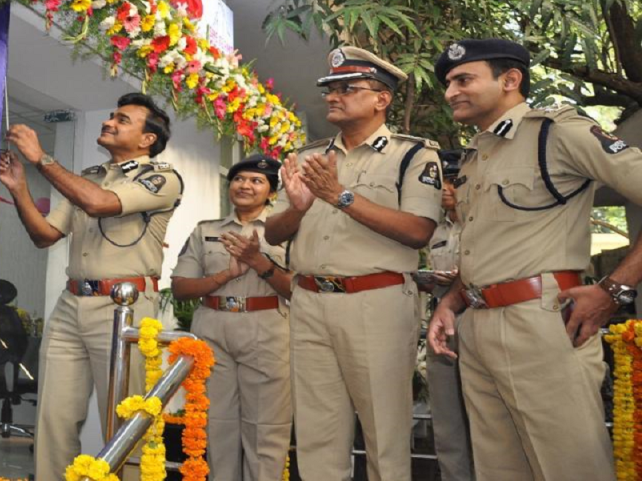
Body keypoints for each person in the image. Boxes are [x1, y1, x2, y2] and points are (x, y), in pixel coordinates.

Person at [427, 38, 642, 481]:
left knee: (570, 468)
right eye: (448, 83)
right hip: (478, 325)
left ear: (510, 79)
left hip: (541, 321)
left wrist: (615, 288)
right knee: (500, 470)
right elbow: (488, 244)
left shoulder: (557, 132)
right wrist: (452, 299)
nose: (450, 93)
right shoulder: (475, 154)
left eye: (463, 80)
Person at [266, 46, 443, 481]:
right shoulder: (308, 158)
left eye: (347, 88)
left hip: (376, 302)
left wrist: (340, 196)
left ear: (382, 99)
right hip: (309, 300)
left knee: (385, 429)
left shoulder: (412, 155)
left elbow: (419, 231)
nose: (333, 96)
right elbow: (273, 234)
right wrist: (298, 209)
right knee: (317, 431)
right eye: (330, 89)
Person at [0, 92, 183, 481]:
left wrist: (41, 158)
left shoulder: (162, 178)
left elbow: (99, 204)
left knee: (127, 418)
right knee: (54, 416)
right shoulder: (88, 177)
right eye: (111, 115)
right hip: (71, 304)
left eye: (122, 120)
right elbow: (45, 235)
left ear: (147, 139)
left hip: (124, 309)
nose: (109, 122)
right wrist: (19, 188)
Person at [170, 154, 294, 481]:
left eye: (256, 181)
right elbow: (181, 288)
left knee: (266, 428)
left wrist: (258, 261)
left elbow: (298, 290)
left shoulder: (284, 232)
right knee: (217, 425)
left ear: (271, 192)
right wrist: (225, 275)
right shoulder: (206, 230)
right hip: (213, 328)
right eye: (239, 179)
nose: (245, 185)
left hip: (266, 327)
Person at [415, 149, 475, 481]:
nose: (447, 190)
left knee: (486, 414)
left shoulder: (481, 223)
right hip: (441, 322)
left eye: (454, 182)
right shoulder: (433, 231)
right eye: (441, 183)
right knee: (447, 418)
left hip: (479, 315)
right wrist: (427, 279)